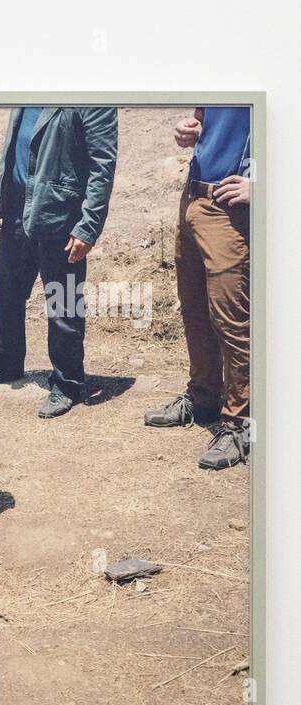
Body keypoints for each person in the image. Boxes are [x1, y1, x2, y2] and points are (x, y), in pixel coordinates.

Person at [0, 107, 118, 418]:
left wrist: (88, 227)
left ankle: (67, 383)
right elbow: (12, 150)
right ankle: (5, 365)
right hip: (15, 211)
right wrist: (0, 200)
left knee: (64, 304)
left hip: (60, 216)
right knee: (6, 296)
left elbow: (102, 166)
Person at [143, 106, 252, 470]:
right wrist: (188, 131)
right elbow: (205, 121)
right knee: (195, 309)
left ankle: (240, 425)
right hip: (193, 197)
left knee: (232, 321)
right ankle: (204, 397)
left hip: (230, 207)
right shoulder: (219, 69)